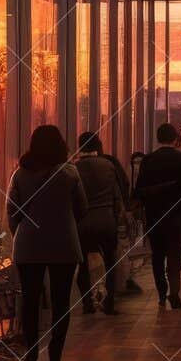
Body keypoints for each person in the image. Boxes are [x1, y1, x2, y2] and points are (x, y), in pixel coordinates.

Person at [6, 124, 85, 361]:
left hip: (29, 244)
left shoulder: (20, 174)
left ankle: (30, 358)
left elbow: (12, 210)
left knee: (30, 301)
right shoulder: (70, 173)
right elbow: (82, 209)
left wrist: (21, 233)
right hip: (64, 243)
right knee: (61, 302)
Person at [134, 123, 181, 308]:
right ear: (175, 138)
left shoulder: (148, 160)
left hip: (154, 214)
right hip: (176, 214)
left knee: (157, 254)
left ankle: (161, 293)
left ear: (158, 138)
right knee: (174, 253)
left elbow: (139, 189)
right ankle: (175, 291)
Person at [73, 130, 127, 314]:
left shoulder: (75, 168)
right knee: (110, 262)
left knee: (82, 265)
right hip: (106, 220)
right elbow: (117, 193)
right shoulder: (108, 165)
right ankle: (109, 302)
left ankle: (87, 303)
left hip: (82, 222)